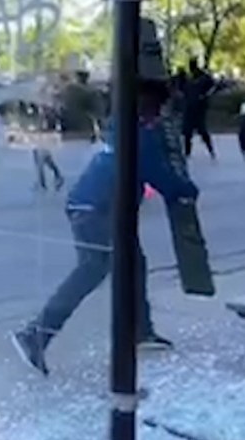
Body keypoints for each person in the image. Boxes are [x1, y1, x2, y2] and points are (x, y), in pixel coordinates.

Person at [10, 19, 197, 376]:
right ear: (147, 106)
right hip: (96, 209)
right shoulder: (139, 133)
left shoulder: (128, 127)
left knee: (133, 263)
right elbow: (160, 176)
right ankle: (36, 334)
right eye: (158, 108)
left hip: (102, 208)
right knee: (93, 268)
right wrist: (185, 190)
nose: (161, 115)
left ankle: (140, 331)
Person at [182, 58, 216, 159]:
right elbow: (183, 88)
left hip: (199, 107)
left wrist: (205, 95)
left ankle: (210, 150)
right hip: (189, 106)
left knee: (201, 129)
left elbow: (213, 87)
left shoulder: (203, 77)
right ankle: (187, 152)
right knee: (188, 131)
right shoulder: (188, 77)